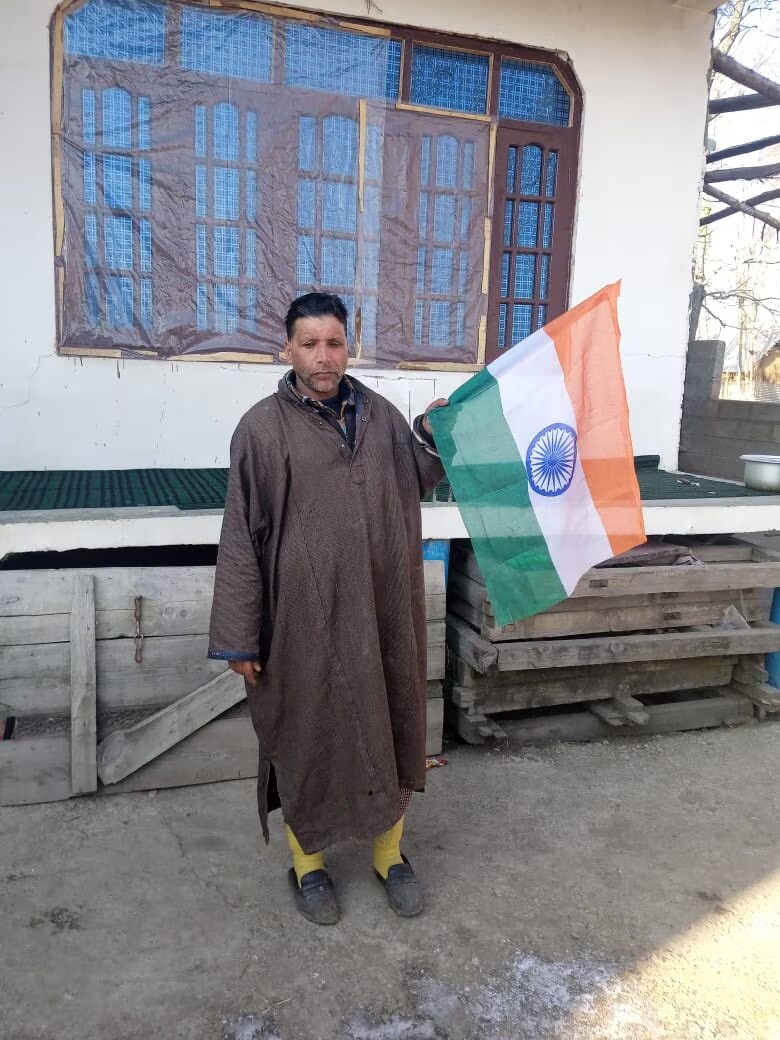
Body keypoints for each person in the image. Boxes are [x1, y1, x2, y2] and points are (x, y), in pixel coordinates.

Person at [208, 292, 447, 925]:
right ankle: (308, 865)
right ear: (286, 349)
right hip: (302, 621)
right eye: (309, 344)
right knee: (306, 731)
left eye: (334, 343)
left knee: (393, 720)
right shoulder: (262, 429)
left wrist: (428, 433)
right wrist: (240, 636)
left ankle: (390, 856)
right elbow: (240, 535)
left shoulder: (380, 414)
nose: (323, 357)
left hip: (382, 606)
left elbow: (415, 474)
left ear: (350, 345)